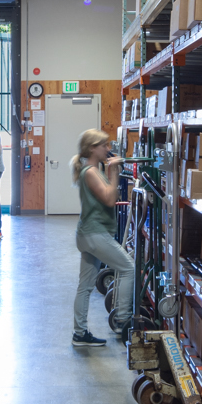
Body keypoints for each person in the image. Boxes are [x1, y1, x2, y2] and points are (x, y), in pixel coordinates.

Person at [70, 128, 134, 347]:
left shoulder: (94, 170)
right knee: (128, 268)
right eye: (104, 145)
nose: (108, 149)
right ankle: (123, 320)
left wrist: (111, 171)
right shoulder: (90, 172)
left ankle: (79, 333)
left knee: (85, 286)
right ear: (92, 149)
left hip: (89, 233)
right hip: (94, 234)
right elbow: (109, 199)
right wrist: (114, 172)